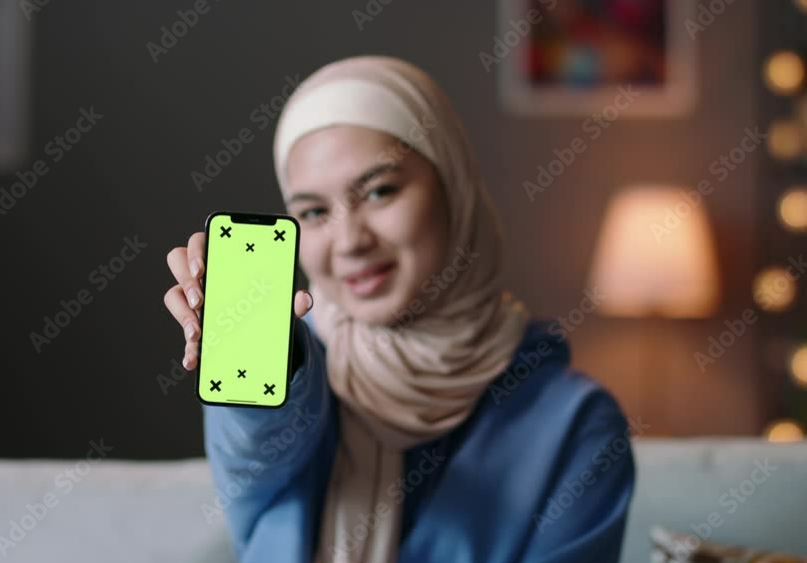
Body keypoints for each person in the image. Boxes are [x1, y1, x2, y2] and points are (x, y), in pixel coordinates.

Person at [163, 56, 635, 563]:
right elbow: (257, 446)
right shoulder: (290, 369)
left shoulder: (575, 424)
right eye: (314, 212)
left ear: (453, 187)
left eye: (379, 190)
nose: (349, 241)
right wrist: (253, 333)